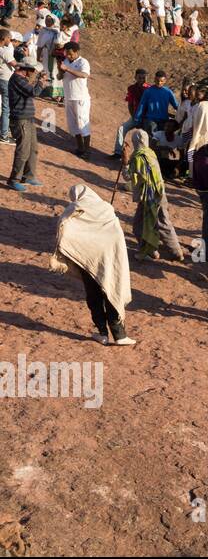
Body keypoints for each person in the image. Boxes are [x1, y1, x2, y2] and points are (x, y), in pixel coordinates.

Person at [52, 184, 136, 346]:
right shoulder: (106, 207)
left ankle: (102, 333)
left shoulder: (75, 207)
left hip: (87, 259)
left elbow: (62, 225)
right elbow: (115, 232)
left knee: (94, 296)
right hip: (110, 258)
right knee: (111, 289)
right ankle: (120, 335)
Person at [123, 128, 185, 262]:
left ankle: (149, 251)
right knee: (160, 222)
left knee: (145, 225)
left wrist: (125, 161)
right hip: (159, 192)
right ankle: (174, 251)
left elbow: (127, 176)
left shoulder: (138, 157)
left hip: (149, 197)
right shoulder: (150, 153)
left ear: (135, 141)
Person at [7, 61, 47, 190]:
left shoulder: (22, 79)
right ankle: (14, 179)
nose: (35, 73)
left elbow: (31, 91)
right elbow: (34, 92)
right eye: (34, 71)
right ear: (27, 69)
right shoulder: (17, 79)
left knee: (32, 148)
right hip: (21, 120)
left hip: (27, 118)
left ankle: (28, 176)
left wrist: (38, 82)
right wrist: (40, 82)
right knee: (23, 150)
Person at [59, 41, 92, 158]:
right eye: (66, 53)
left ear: (76, 52)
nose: (68, 56)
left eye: (70, 54)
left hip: (80, 98)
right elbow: (60, 77)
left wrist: (67, 69)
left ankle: (87, 151)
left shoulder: (83, 62)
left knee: (83, 124)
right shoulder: (66, 61)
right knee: (73, 125)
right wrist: (61, 71)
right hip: (69, 97)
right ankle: (80, 148)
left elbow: (84, 75)